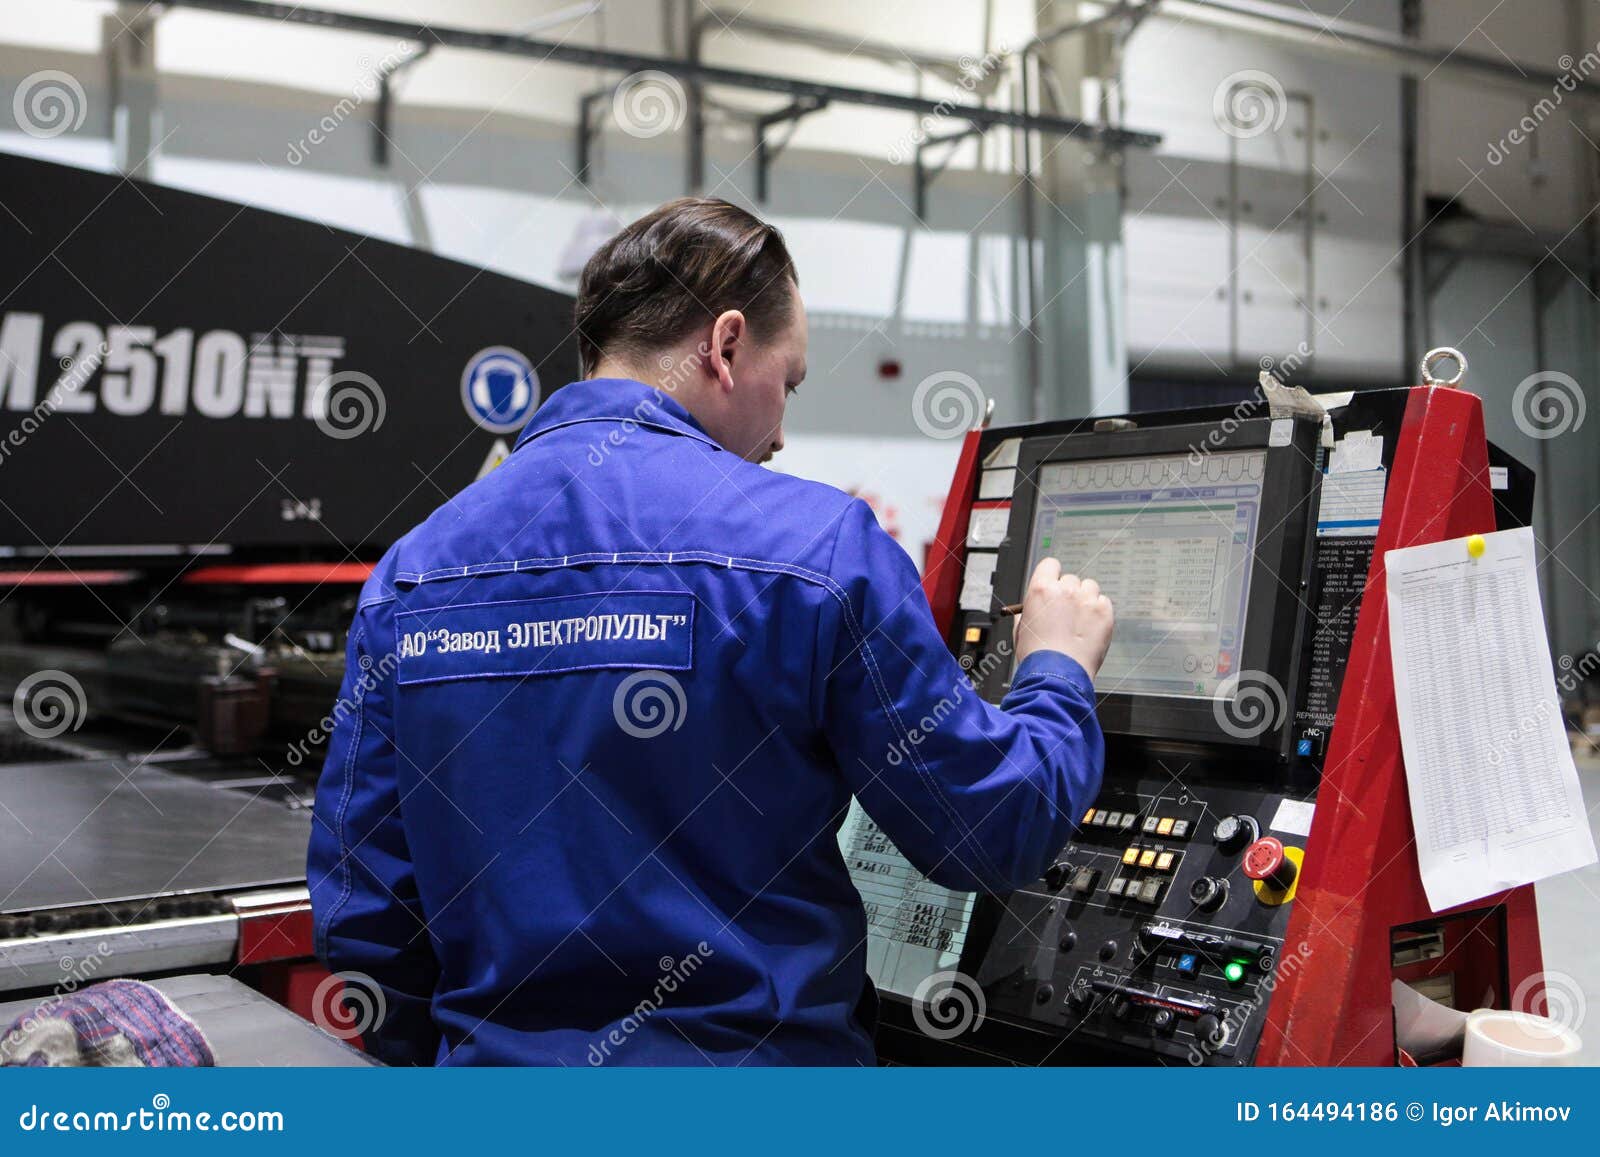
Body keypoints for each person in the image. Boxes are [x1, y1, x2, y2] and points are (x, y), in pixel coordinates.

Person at [307, 197, 1114, 1066]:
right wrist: (1056, 671)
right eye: (790, 383)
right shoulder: (819, 548)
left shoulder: (414, 571)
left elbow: (366, 914)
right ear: (726, 347)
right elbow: (987, 826)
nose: (780, 434)